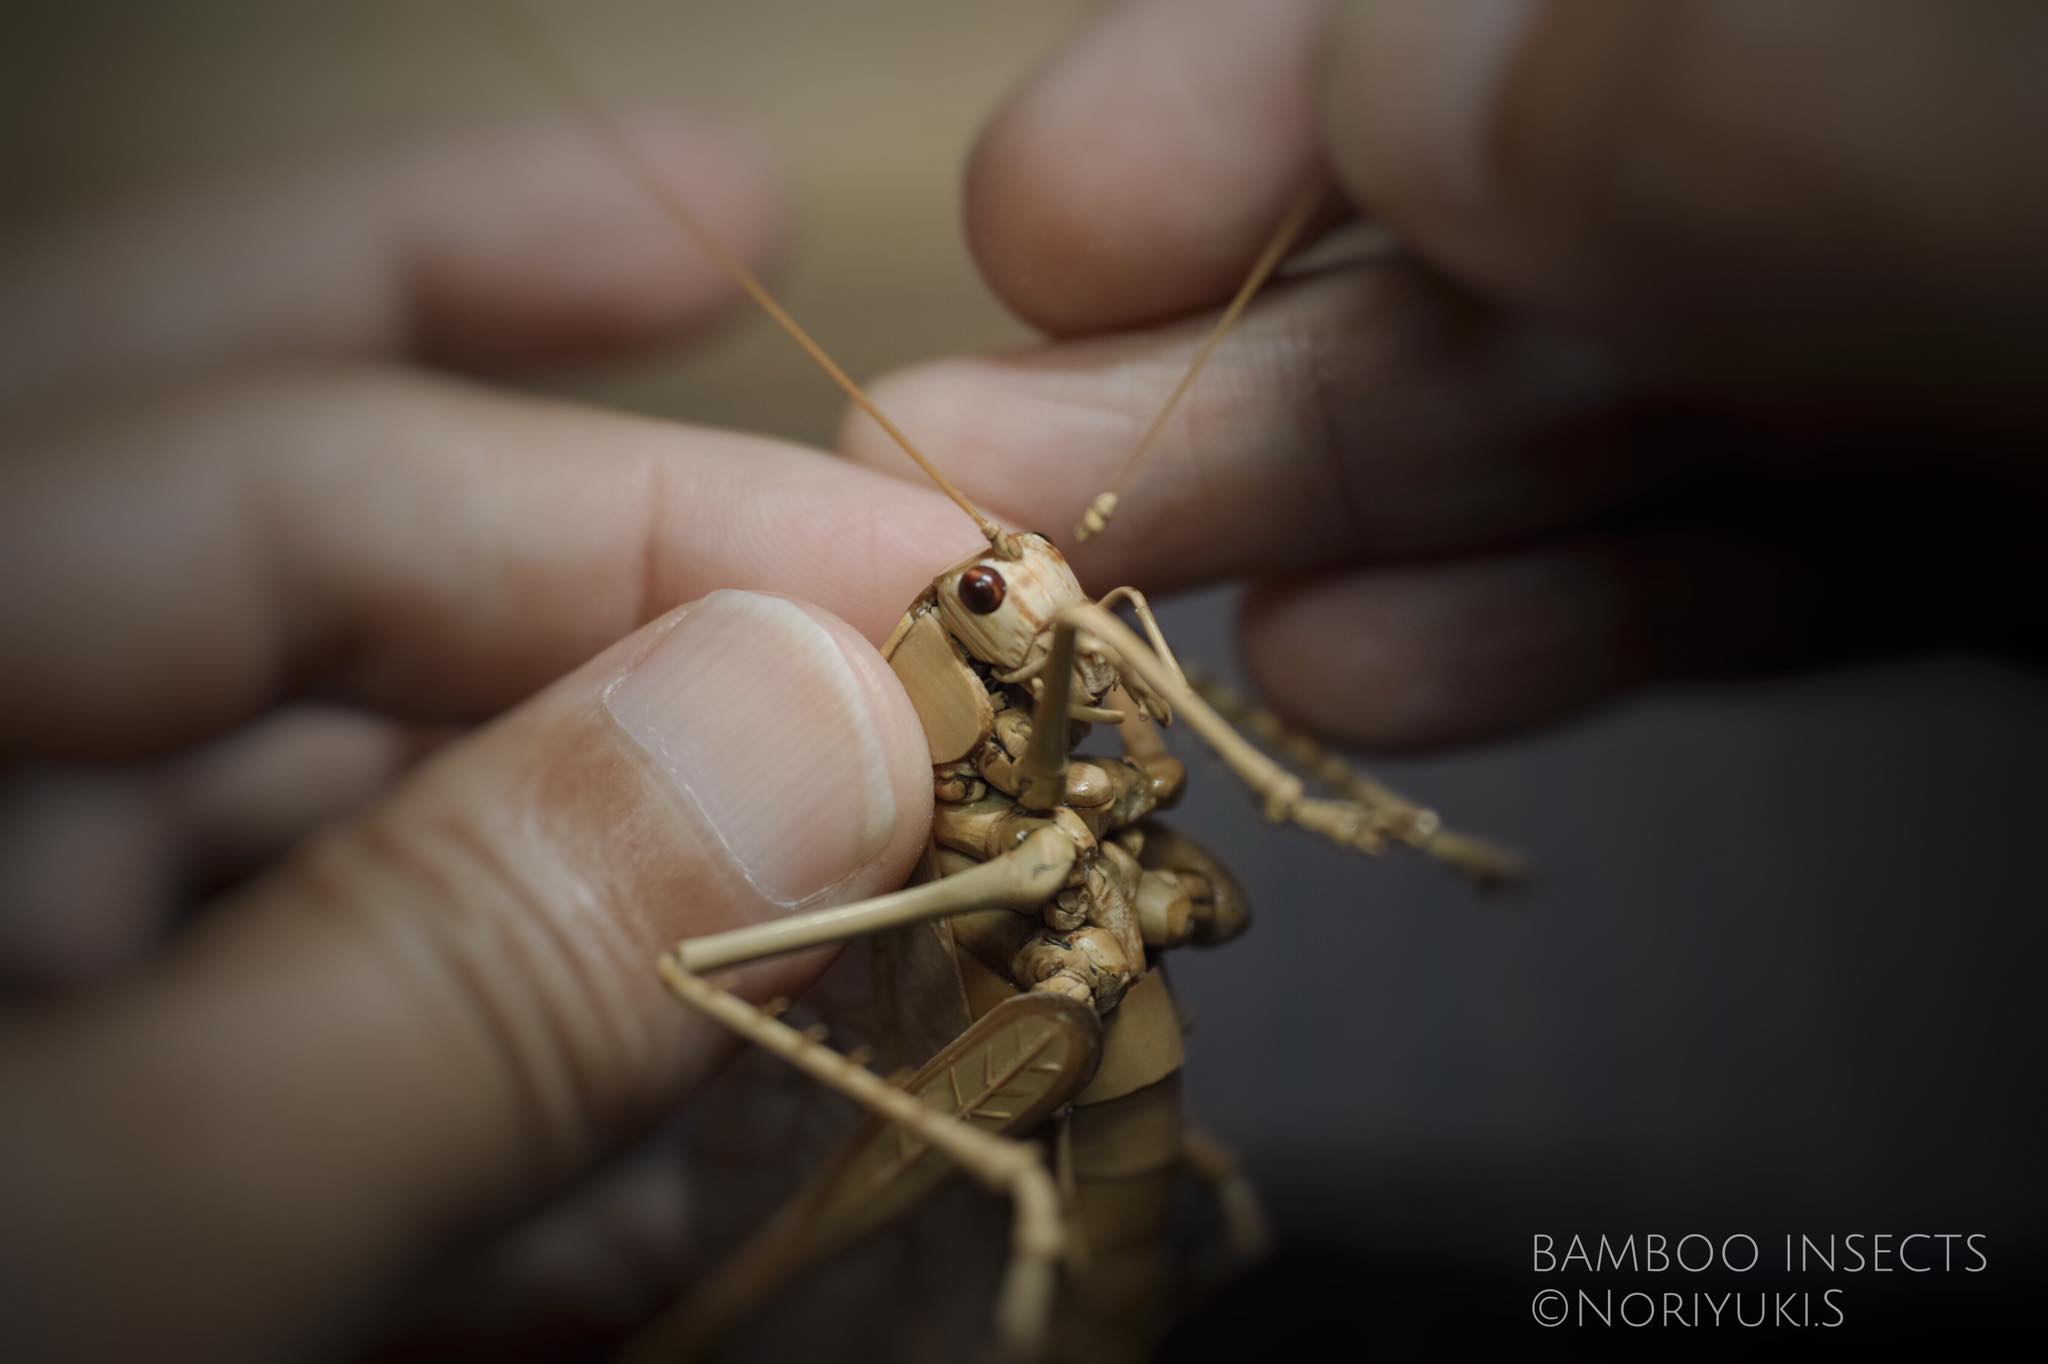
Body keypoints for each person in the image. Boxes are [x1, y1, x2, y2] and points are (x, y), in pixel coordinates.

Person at [1, 1, 2041, 1357]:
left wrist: (1321, 802)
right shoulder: (886, 751)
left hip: (1103, 1042)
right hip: (975, 1089)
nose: (1050, 607)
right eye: (1005, 611)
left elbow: (1167, 795)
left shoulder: (1072, 661)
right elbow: (727, 961)